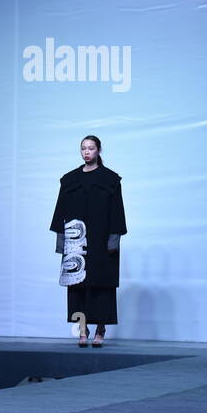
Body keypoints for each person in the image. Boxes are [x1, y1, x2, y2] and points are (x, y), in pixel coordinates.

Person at [51, 135, 127, 347]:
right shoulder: (69, 180)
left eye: (91, 148)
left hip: (102, 241)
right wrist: (62, 243)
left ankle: (101, 328)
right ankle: (83, 330)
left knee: (102, 285)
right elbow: (60, 212)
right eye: (83, 148)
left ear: (98, 151)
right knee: (77, 287)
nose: (87, 152)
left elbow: (117, 212)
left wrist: (113, 242)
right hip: (76, 241)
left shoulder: (110, 179)